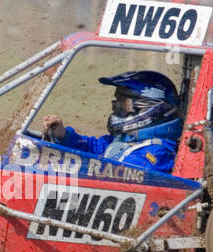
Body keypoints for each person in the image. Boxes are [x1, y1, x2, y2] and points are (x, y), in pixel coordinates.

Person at [39, 71, 182, 175]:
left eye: (124, 105)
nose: (117, 109)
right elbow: (95, 148)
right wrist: (63, 135)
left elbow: (121, 176)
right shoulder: (126, 141)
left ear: (153, 110)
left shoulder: (156, 152)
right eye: (116, 104)